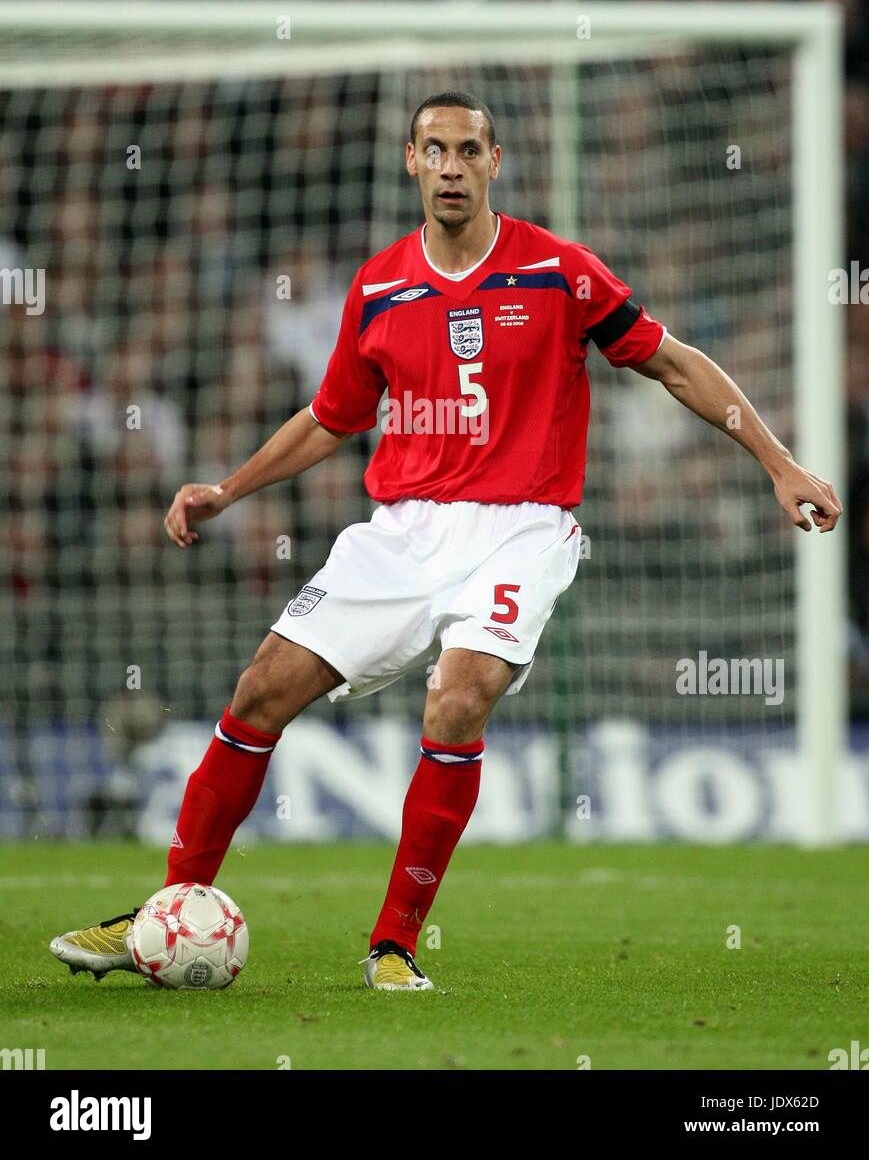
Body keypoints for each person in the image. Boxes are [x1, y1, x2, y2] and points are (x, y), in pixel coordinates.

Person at [50, 91, 842, 990]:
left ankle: (392, 945)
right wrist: (227, 489)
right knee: (261, 689)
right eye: (437, 150)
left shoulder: (558, 271)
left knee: (457, 701)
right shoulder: (381, 285)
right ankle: (164, 911)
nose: (453, 166)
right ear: (411, 161)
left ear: (495, 162)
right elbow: (328, 418)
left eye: (469, 150)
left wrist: (778, 462)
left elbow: (670, 360)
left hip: (521, 527)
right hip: (402, 528)